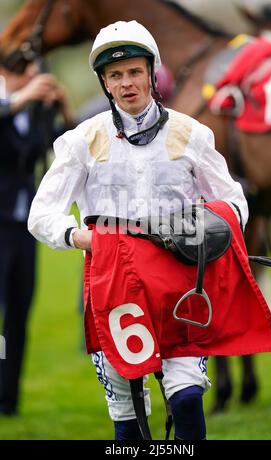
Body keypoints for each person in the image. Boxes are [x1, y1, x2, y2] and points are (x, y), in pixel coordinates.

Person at [27, 20, 249, 440]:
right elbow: (41, 214)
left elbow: (235, 203)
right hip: (113, 289)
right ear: (105, 84)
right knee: (128, 408)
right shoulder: (81, 141)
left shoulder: (192, 133)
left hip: (180, 284)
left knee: (184, 396)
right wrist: (84, 237)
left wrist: (207, 226)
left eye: (134, 71)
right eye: (115, 75)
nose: (127, 83)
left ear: (152, 73)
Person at [0, 60, 73, 416]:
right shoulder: (9, 104)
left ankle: (7, 397)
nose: (35, 76)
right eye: (28, 70)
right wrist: (19, 99)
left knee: (18, 311)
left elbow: (65, 150)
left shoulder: (33, 112)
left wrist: (62, 109)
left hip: (22, 227)